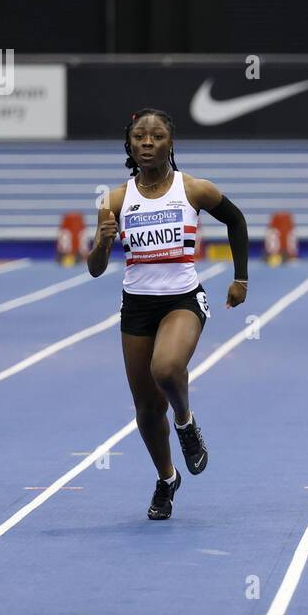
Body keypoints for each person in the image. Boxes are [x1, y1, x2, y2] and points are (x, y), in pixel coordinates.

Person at [87, 108, 250, 520]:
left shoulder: (193, 189)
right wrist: (103, 243)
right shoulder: (115, 200)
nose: (147, 143)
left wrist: (241, 279)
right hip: (137, 304)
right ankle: (166, 479)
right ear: (129, 145)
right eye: (139, 137)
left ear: (169, 144)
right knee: (145, 407)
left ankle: (186, 422)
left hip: (183, 299)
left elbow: (236, 220)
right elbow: (94, 268)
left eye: (156, 136)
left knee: (166, 368)